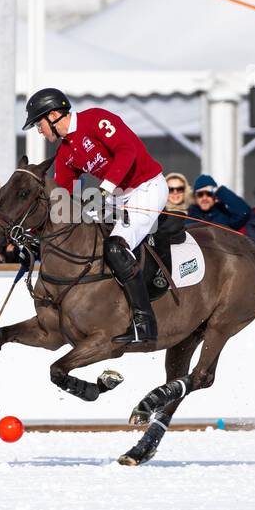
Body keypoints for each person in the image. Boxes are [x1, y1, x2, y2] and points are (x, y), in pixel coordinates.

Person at [24, 86, 167, 344]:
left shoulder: (96, 120)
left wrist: (105, 188)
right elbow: (62, 198)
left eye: (39, 124)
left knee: (114, 247)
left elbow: (127, 151)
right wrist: (36, 233)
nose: (39, 131)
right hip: (116, 196)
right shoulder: (66, 153)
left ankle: (144, 322)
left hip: (146, 187)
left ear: (54, 115)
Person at [187, 174, 251, 230]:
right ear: (195, 197)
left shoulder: (225, 217)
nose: (204, 198)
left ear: (215, 196)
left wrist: (218, 191)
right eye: (200, 194)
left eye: (209, 194)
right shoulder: (189, 218)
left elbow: (244, 212)